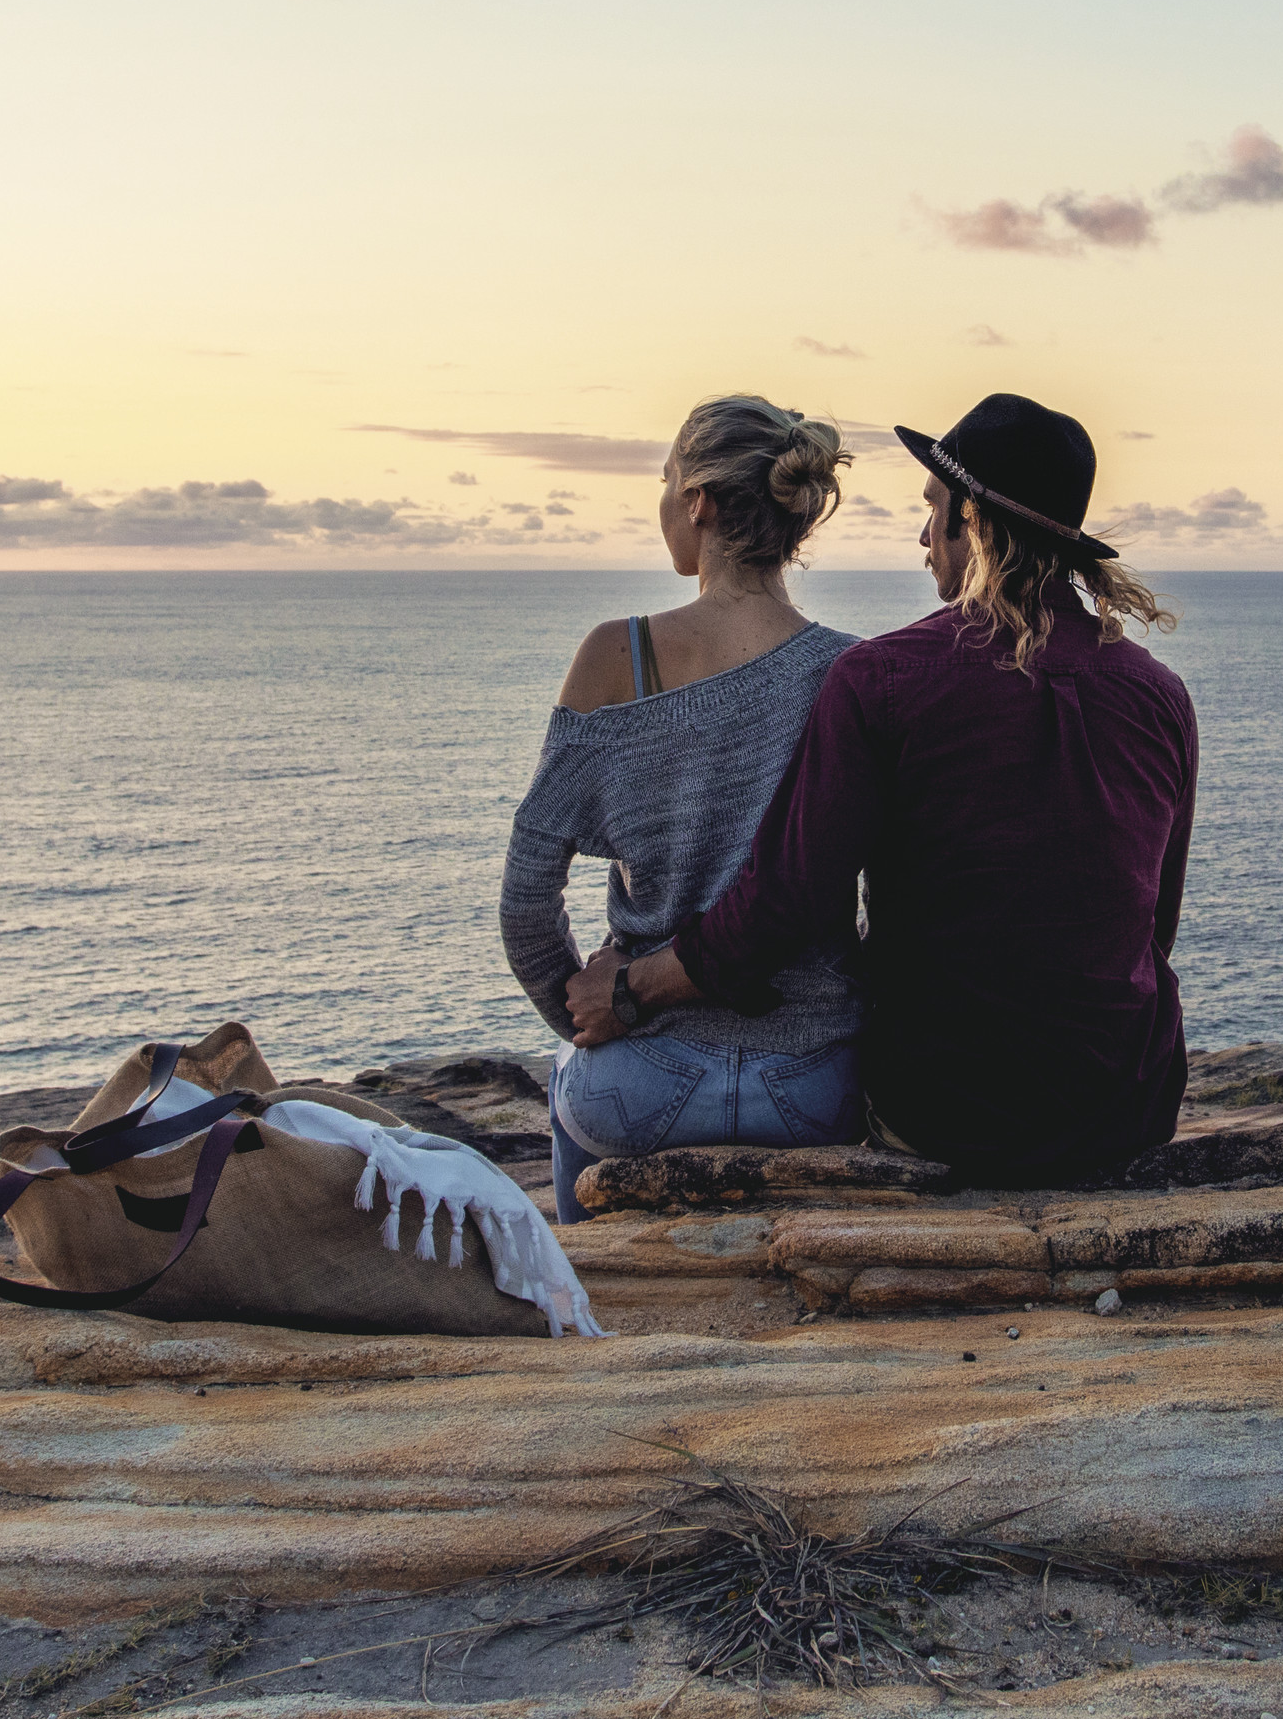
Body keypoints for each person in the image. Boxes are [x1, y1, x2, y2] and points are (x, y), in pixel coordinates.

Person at [572, 392, 1196, 1191]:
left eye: (934, 507)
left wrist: (629, 987)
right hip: (1126, 1109)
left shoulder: (883, 679)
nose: (923, 532)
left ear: (972, 519)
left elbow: (783, 905)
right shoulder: (1161, 696)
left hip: (947, 1114)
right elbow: (1156, 927)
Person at [498, 394, 865, 1218]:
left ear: (697, 500)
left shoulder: (613, 656)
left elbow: (526, 905)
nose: (661, 499)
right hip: (815, 1088)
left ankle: (585, 1313)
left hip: (641, 1084)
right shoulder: (851, 674)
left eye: (665, 479)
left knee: (571, 1097)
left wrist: (594, 1018)